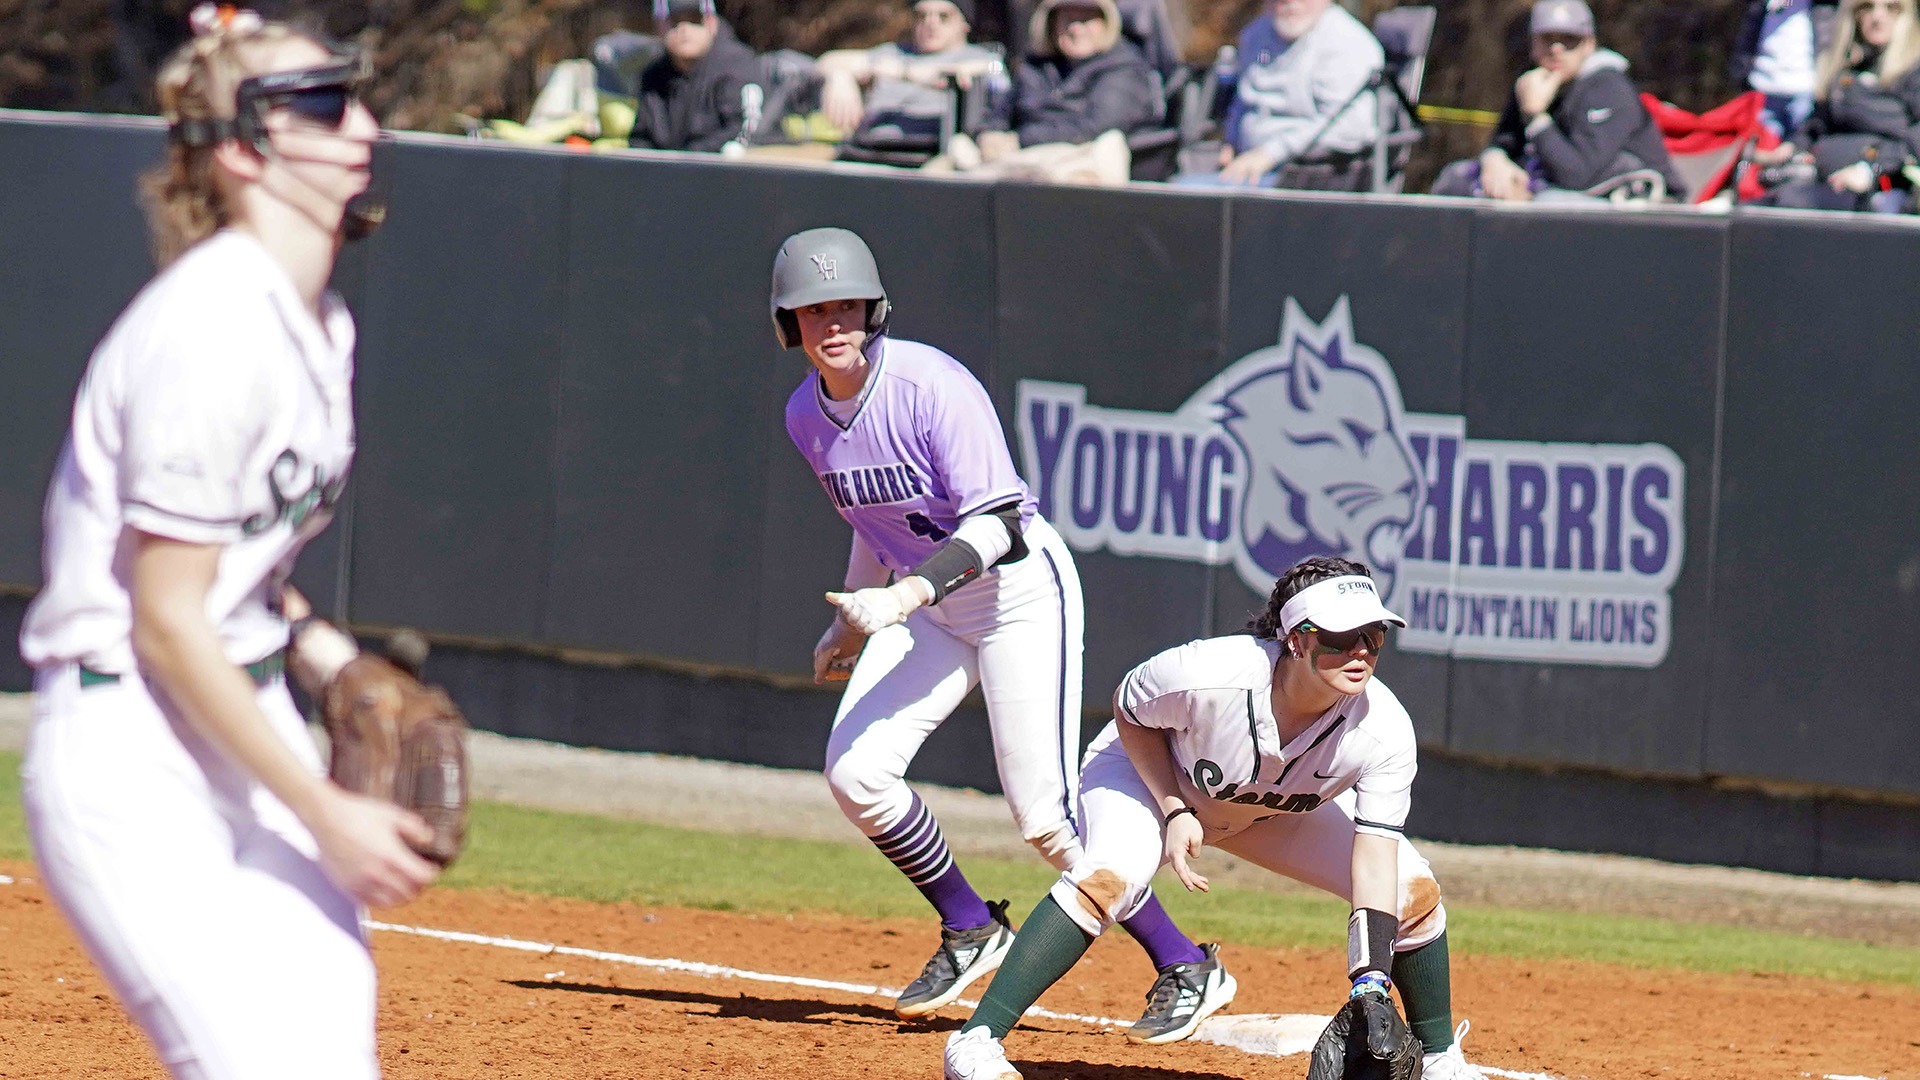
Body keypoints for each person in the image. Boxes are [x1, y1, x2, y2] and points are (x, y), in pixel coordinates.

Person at [16, 6, 440, 1079]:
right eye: (323, 104)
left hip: (247, 718)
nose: (362, 123)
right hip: (130, 748)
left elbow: (245, 562)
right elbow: (165, 617)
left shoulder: (320, 325)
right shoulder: (209, 328)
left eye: (352, 98)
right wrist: (323, 810)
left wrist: (327, 657)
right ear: (247, 150)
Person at [774, 227, 1234, 1044]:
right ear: (789, 324)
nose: (832, 324)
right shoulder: (805, 414)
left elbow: (998, 524)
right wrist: (849, 619)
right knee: (856, 774)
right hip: (927, 606)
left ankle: (1185, 962)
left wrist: (902, 596)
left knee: (1047, 818)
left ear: (874, 310)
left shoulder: (932, 385)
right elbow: (872, 522)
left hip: (1017, 594)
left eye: (846, 306)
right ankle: (970, 924)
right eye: (814, 311)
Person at [941, 557, 1486, 1080]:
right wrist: (1173, 807)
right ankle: (976, 1041)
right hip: (1151, 776)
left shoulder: (1382, 730)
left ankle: (1439, 1060)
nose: (1361, 650)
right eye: (1342, 637)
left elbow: (1375, 860)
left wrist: (1370, 981)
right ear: (1296, 639)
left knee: (1413, 891)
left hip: (1269, 811)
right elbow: (1130, 710)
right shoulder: (1208, 673)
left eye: (1374, 635)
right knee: (1109, 878)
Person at [1431, 0, 1684, 202]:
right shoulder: (1532, 82)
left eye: (1569, 40)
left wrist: (1536, 117)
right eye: (1547, 39)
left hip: (1639, 204)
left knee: (1549, 204)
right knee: (1455, 179)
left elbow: (1577, 176)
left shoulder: (1609, 88)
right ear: (1533, 43)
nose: (1556, 49)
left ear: (1589, 45)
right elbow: (1504, 143)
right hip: (1561, 190)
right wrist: (1494, 162)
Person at [934, 0, 1159, 184]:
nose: (1075, 29)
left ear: (1106, 23)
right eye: (1067, 19)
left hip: (1075, 155)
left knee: (1108, 146)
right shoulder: (1034, 66)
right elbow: (1000, 113)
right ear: (1051, 24)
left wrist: (1021, 140)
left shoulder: (1124, 66)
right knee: (957, 149)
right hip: (1014, 156)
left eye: (1085, 20)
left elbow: (1097, 125)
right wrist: (989, 135)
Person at [1179, 0, 1385, 189]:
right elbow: (1243, 102)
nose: (1290, 2)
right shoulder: (1255, 34)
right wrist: (1231, 141)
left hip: (1310, 178)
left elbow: (1350, 129)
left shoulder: (1349, 43)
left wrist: (1270, 154)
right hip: (1245, 168)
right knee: (1179, 189)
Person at [1752, 0, 1919, 211]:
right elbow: (1817, 125)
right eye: (1867, 7)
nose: (1877, 17)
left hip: (1886, 188)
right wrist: (1793, 147)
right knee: (1767, 202)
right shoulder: (1846, 69)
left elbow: (1915, 138)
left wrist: (1870, 170)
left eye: (1891, 7)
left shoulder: (1913, 71)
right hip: (1825, 179)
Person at [814, 0, 1004, 153]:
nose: (931, 23)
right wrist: (839, 77)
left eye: (943, 16)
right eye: (921, 16)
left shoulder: (980, 58)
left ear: (964, 24)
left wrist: (914, 73)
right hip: (869, 147)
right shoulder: (895, 53)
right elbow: (827, 61)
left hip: (931, 152)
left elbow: (994, 70)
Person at [626, 0, 764, 153]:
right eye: (674, 22)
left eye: (695, 20)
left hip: (727, 165)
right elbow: (640, 139)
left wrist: (685, 159)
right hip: (672, 166)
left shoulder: (738, 66)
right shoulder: (652, 77)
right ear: (659, 27)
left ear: (712, 24)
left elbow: (743, 133)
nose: (684, 30)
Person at [1732, 0, 1832, 138]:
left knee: (1799, 144)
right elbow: (1746, 44)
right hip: (1763, 89)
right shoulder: (1761, 7)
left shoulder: (1821, 8)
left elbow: (1827, 46)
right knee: (1763, 144)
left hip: (1804, 90)